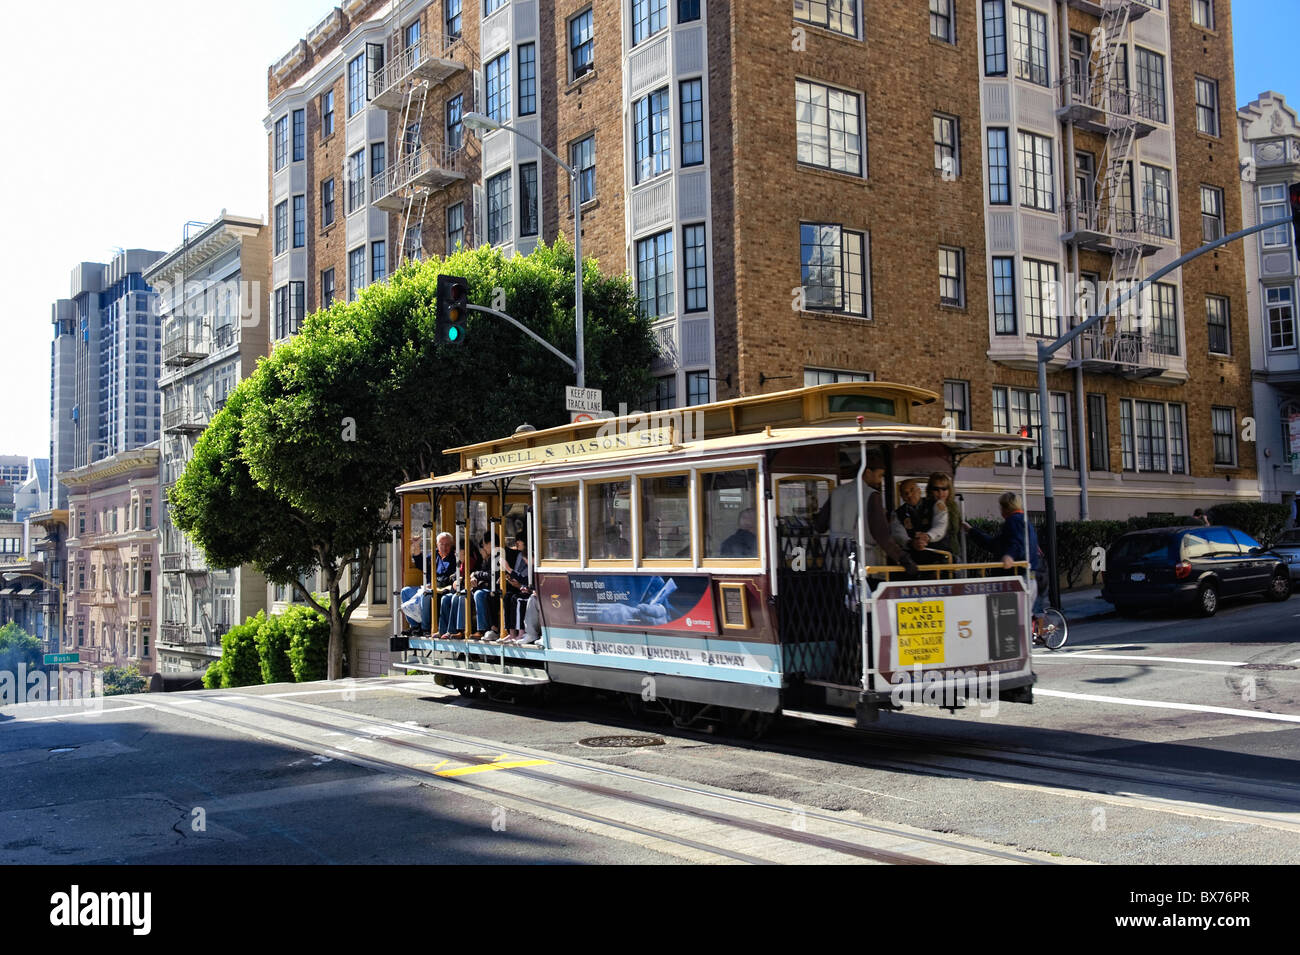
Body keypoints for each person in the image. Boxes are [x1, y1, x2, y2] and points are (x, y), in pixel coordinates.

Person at [814, 450, 918, 577]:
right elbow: (881, 535)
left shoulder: (837, 492)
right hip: (862, 563)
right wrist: (903, 558)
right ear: (868, 472)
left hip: (834, 562)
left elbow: (820, 525)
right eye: (880, 476)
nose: (880, 481)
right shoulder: (871, 495)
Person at [962, 492, 1046, 618]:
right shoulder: (1025, 522)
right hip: (1030, 576)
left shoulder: (1013, 521)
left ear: (1005, 507)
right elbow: (996, 544)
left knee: (1016, 619)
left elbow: (1016, 543)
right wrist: (971, 531)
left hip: (1019, 577)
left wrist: (1009, 556)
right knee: (1024, 617)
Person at [919, 473, 957, 556]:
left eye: (944, 489)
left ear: (949, 490)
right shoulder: (925, 506)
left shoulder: (953, 507)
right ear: (930, 490)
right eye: (936, 489)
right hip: (931, 552)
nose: (940, 492)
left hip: (952, 551)